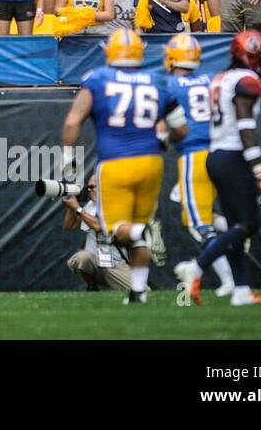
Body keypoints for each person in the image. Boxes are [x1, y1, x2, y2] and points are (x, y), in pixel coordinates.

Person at [62, 30, 186, 304]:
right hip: (151, 163)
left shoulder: (97, 79)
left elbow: (72, 123)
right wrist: (162, 142)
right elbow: (182, 129)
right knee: (138, 232)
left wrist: (68, 168)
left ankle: (137, 234)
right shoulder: (158, 82)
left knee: (115, 228)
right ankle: (138, 293)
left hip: (115, 162)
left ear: (110, 51)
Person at [175, 31, 261, 308]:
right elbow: (245, 125)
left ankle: (241, 291)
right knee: (249, 223)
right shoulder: (246, 79)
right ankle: (196, 266)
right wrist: (260, 170)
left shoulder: (221, 77)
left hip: (216, 153)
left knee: (234, 225)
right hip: (233, 154)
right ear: (253, 57)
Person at [164, 33, 235, 297]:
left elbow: (169, 125)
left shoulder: (170, 85)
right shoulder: (211, 79)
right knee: (194, 212)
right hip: (222, 152)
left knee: (198, 224)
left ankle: (227, 277)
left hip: (195, 155)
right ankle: (232, 229)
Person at [63, 176, 132, 292]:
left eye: (92, 187)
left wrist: (77, 208)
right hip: (94, 262)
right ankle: (92, 286)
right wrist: (71, 206)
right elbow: (68, 227)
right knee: (82, 257)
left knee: (143, 292)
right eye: (88, 187)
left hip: (115, 265)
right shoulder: (88, 206)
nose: (89, 190)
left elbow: (99, 227)